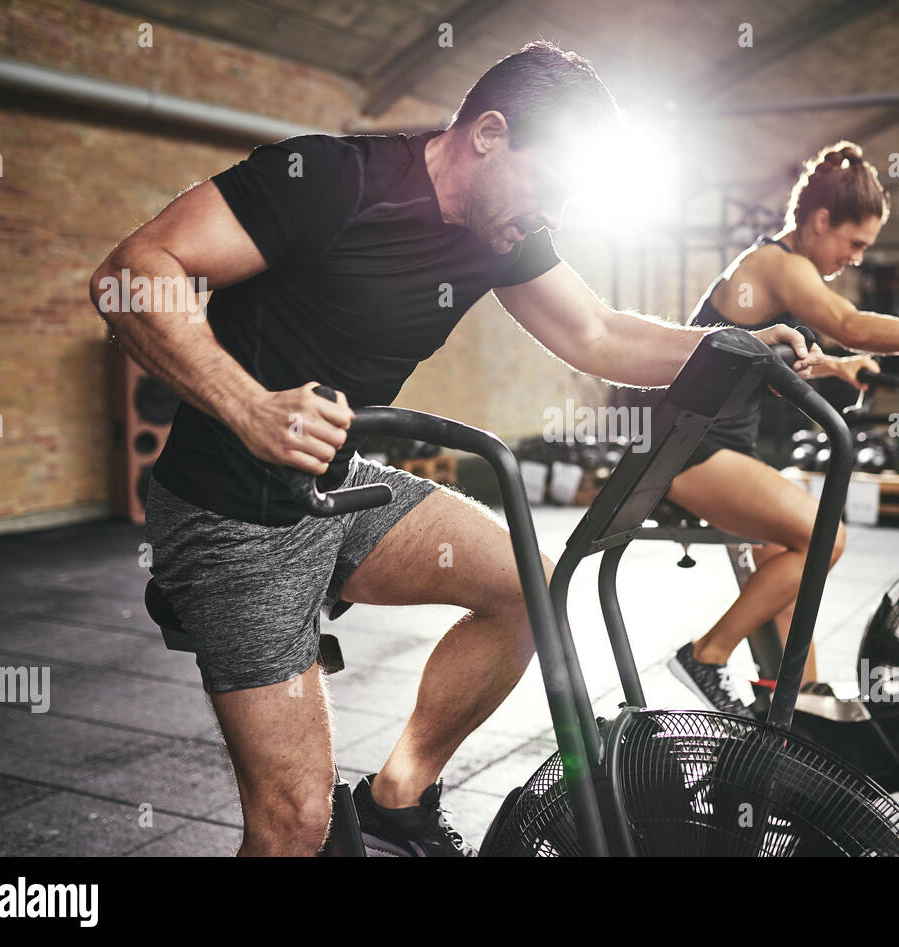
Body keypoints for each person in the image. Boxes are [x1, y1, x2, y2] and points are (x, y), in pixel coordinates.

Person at [89, 41, 819, 857]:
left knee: (528, 590)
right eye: (549, 186)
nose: (550, 216)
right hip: (230, 514)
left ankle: (398, 796)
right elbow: (131, 271)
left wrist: (735, 347)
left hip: (336, 487)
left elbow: (598, 333)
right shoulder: (333, 181)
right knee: (296, 824)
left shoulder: (502, 229)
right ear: (488, 136)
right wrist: (251, 406)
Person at [664, 140, 899, 719]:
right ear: (821, 220)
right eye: (854, 244)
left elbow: (770, 357)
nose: (854, 258)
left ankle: (795, 695)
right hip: (684, 451)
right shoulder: (778, 266)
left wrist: (834, 366)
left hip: (717, 447)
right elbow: (849, 323)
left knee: (788, 552)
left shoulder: (781, 271)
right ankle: (706, 655)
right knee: (826, 536)